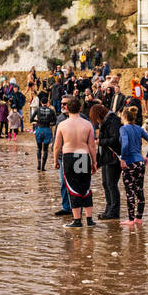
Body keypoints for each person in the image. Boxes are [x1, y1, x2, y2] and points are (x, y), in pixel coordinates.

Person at [54, 96, 98, 228]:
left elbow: (57, 145)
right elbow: (92, 146)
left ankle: (77, 220)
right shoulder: (87, 124)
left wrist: (55, 160)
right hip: (83, 155)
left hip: (69, 156)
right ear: (80, 108)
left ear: (67, 108)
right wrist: (94, 162)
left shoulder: (62, 125)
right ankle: (89, 219)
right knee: (85, 187)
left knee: (72, 187)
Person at [117, 104, 148, 225]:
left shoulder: (123, 128)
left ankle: (131, 220)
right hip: (140, 162)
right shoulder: (139, 128)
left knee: (130, 191)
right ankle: (139, 218)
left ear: (125, 116)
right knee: (139, 190)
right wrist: (147, 157)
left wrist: (123, 158)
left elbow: (125, 144)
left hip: (130, 163)